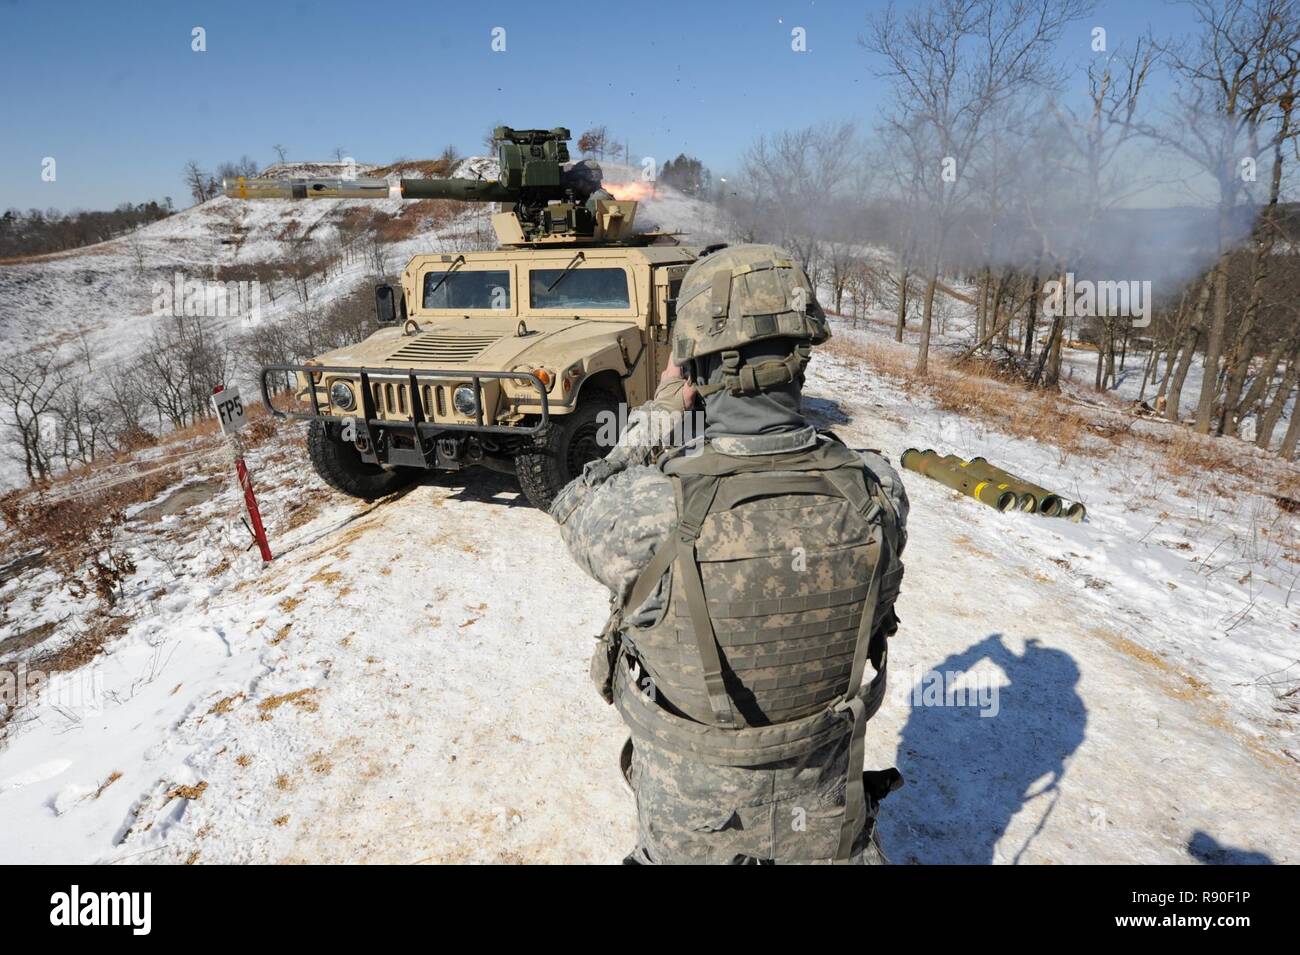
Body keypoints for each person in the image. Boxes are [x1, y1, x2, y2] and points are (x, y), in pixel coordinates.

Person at [549, 244, 909, 864]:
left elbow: (579, 495)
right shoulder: (879, 492)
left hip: (690, 831)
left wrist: (663, 410)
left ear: (694, 365)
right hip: (825, 818)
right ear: (805, 352)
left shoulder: (643, 512)